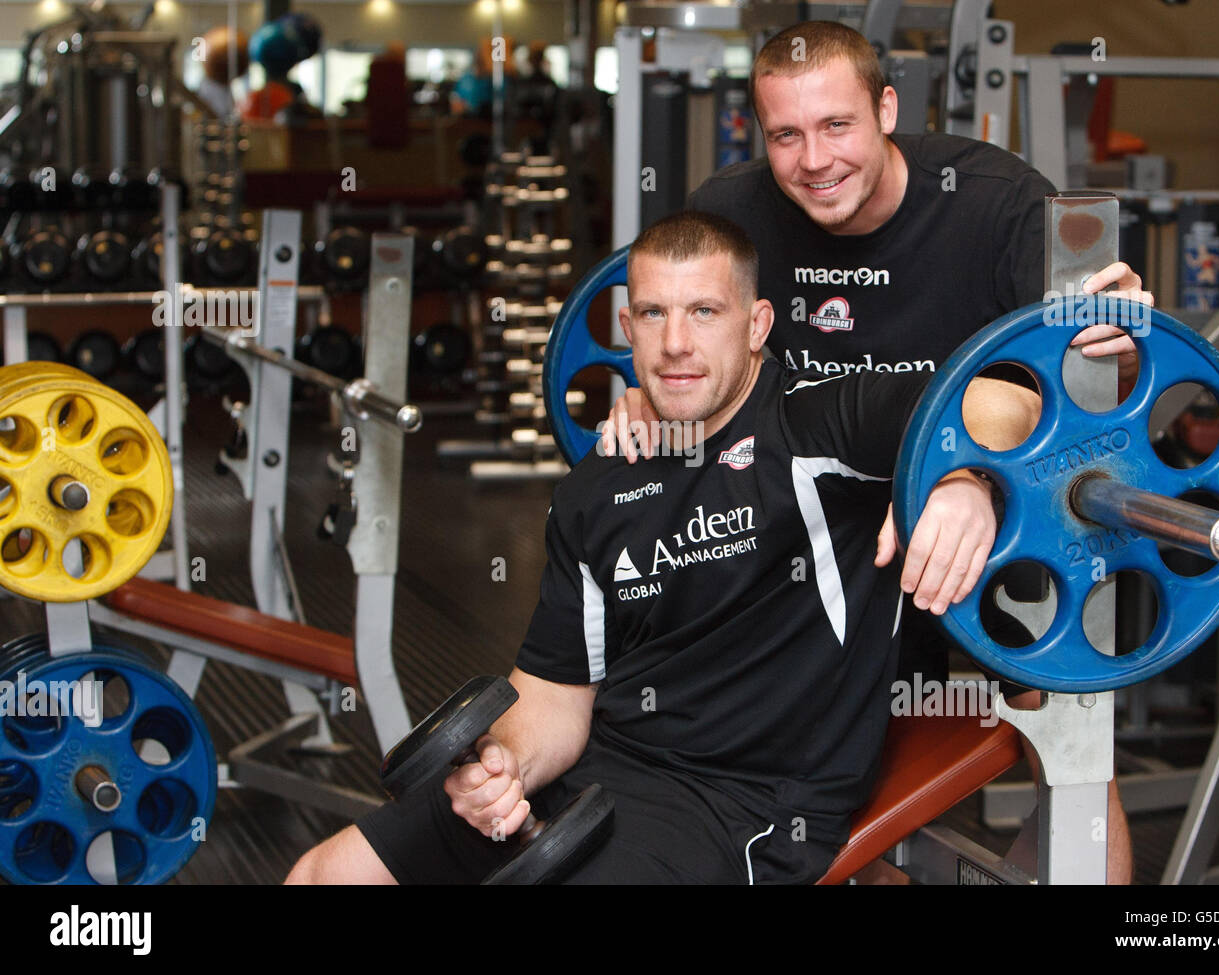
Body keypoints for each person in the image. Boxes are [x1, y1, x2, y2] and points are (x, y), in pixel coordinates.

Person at [286, 210, 1039, 884]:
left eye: (704, 311)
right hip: (600, 764)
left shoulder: (818, 426)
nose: (676, 343)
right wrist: (503, 764)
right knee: (324, 873)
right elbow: (552, 695)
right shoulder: (595, 488)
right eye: (654, 313)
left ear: (757, 324)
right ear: (628, 325)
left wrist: (964, 478)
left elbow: (1009, 403)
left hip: (741, 803)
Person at [601, 21, 1151, 883]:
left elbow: (1087, 398)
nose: (814, 160)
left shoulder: (998, 205)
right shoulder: (733, 209)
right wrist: (649, 398)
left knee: (1072, 742)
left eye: (837, 126)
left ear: (887, 109)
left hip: (997, 512)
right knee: (814, 763)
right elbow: (683, 344)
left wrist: (1115, 352)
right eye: (786, 135)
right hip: (814, 536)